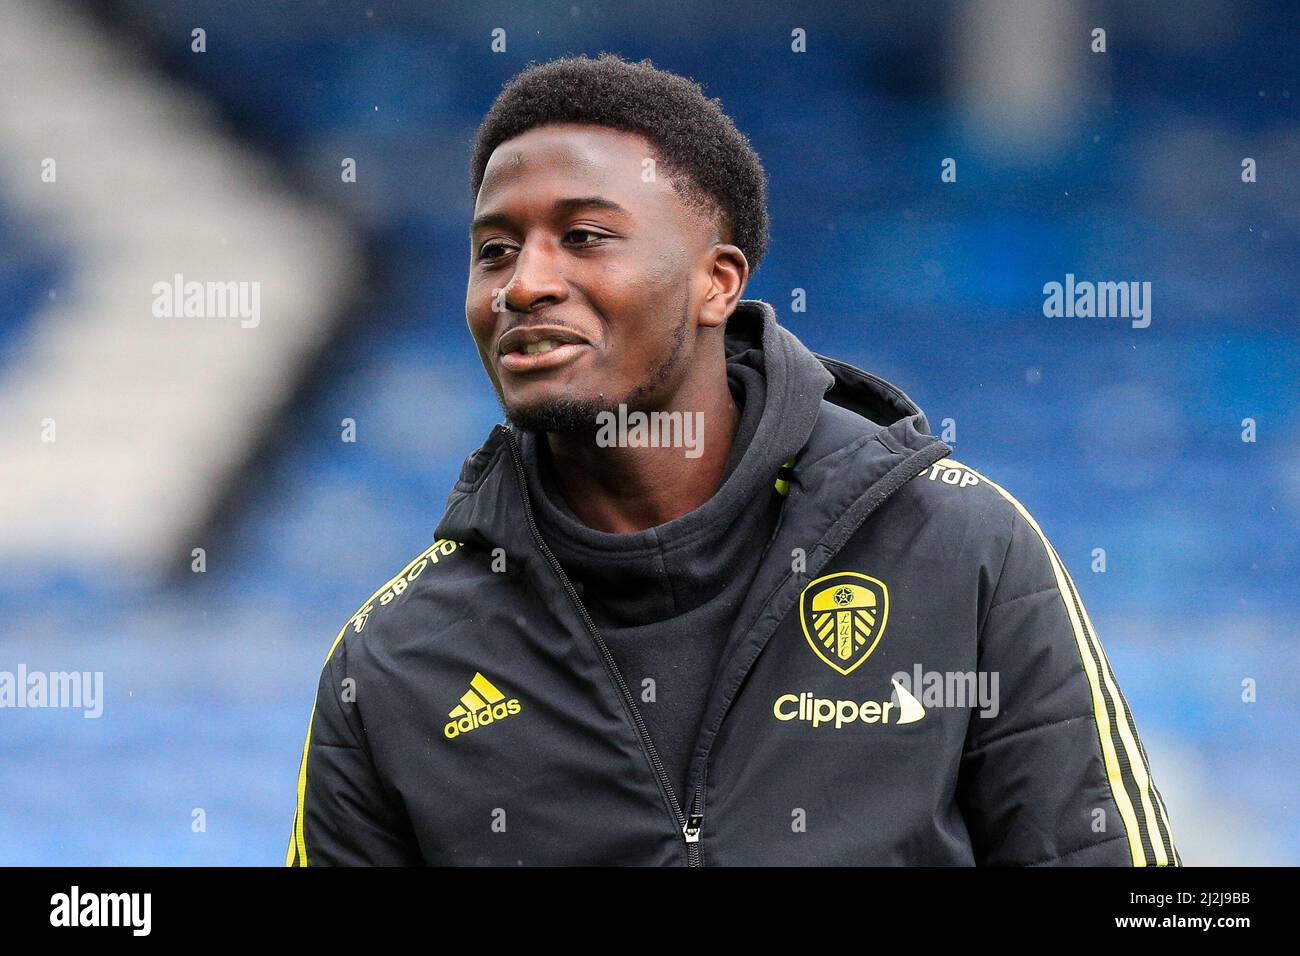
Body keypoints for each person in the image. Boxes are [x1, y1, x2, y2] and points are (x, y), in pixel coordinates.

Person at [286, 53, 1179, 866]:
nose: (524, 284)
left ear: (718, 282)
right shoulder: (395, 660)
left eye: (585, 236)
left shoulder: (959, 549)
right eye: (495, 250)